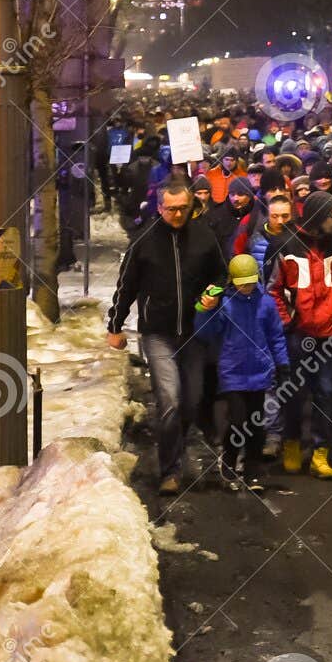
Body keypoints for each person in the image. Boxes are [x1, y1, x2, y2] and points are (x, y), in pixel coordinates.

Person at [106, 176, 227, 494]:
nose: (177, 214)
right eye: (171, 209)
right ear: (159, 208)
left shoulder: (203, 236)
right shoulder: (143, 240)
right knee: (170, 399)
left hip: (195, 330)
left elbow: (221, 274)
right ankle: (170, 470)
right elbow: (126, 286)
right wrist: (115, 326)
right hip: (157, 332)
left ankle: (176, 443)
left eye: (183, 208)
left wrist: (213, 294)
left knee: (192, 401)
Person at [194, 254, 290, 494]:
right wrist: (205, 310)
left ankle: (253, 470)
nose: (246, 287)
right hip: (233, 371)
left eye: (250, 282)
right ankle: (229, 460)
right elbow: (205, 333)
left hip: (259, 372)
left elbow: (276, 336)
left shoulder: (266, 303)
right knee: (238, 421)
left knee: (257, 424)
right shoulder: (224, 303)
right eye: (241, 283)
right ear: (232, 281)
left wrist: (282, 364)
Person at [270, 190, 332, 479]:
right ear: (319, 215)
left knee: (326, 393)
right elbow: (273, 289)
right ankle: (291, 444)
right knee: (294, 392)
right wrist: (288, 320)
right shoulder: (284, 244)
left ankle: (320, 453)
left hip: (329, 333)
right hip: (297, 333)